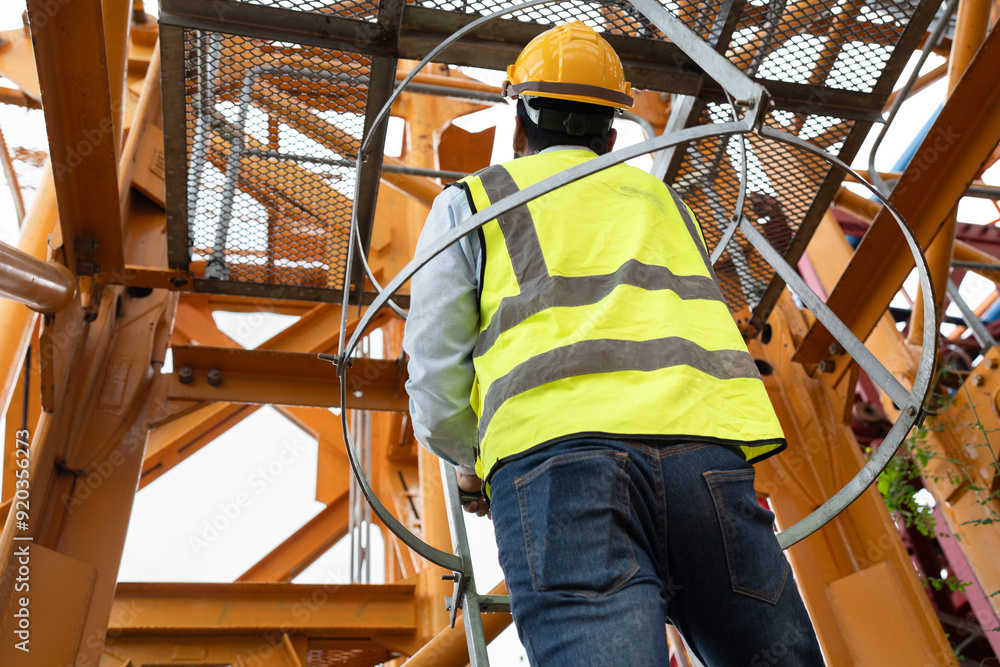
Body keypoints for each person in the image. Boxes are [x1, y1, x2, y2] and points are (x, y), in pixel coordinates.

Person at [402, 20, 824, 666]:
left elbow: (434, 366)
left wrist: (469, 459)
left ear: (518, 124)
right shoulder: (665, 204)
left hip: (558, 469)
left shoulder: (474, 201)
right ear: (610, 132)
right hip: (704, 461)